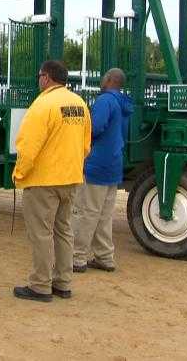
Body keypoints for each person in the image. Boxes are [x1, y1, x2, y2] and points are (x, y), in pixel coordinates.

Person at [12, 60, 91, 303]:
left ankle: (40, 285)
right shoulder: (79, 104)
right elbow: (86, 145)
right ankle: (63, 282)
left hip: (43, 181)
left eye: (39, 76)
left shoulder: (42, 105)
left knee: (41, 233)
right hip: (71, 178)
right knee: (64, 231)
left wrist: (19, 174)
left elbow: (28, 147)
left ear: (46, 77)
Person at [74, 68, 133, 274]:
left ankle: (77, 257)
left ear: (108, 79)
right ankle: (105, 257)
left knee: (87, 212)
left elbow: (95, 127)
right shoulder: (124, 103)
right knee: (104, 215)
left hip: (97, 163)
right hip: (114, 164)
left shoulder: (105, 101)